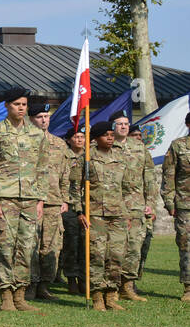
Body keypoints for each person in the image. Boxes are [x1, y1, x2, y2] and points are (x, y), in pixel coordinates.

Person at [0, 88, 49, 311]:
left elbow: (42, 169)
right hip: (4, 198)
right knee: (5, 246)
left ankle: (20, 295)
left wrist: (40, 200)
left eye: (24, 104)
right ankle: (6, 296)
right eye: (17, 104)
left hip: (29, 198)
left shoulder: (37, 134)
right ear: (7, 106)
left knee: (27, 247)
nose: (21, 108)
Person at [79, 121, 127, 311]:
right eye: (105, 135)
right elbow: (75, 186)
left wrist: (128, 213)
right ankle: (97, 295)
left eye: (111, 134)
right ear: (96, 138)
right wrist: (79, 211)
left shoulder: (120, 157)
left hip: (117, 214)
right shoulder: (88, 158)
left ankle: (111, 295)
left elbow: (128, 186)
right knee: (97, 254)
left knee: (116, 255)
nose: (110, 137)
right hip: (95, 213)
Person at [110, 112, 157, 302]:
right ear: (113, 127)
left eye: (126, 124)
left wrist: (150, 203)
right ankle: (111, 286)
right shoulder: (104, 145)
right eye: (119, 124)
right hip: (112, 205)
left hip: (136, 205)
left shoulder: (139, 147)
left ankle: (127, 286)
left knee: (134, 247)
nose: (123, 127)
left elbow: (150, 177)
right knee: (114, 247)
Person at [28, 102, 69, 301]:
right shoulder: (25, 141)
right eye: (39, 117)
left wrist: (65, 198)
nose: (43, 120)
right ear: (31, 119)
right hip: (30, 199)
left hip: (53, 201)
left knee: (50, 246)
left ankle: (44, 285)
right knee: (30, 245)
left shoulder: (59, 144)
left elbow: (65, 174)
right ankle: (29, 284)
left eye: (46, 116)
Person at [161, 111, 190, 302]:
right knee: (187, 246)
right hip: (185, 204)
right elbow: (169, 175)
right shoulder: (178, 145)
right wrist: (169, 201)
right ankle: (189, 287)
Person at [60, 127, 86, 295]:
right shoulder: (64, 156)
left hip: (88, 205)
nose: (79, 139)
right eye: (76, 136)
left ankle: (84, 279)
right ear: (69, 140)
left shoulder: (91, 156)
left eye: (82, 136)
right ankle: (71, 278)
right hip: (69, 204)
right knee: (71, 243)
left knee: (86, 245)